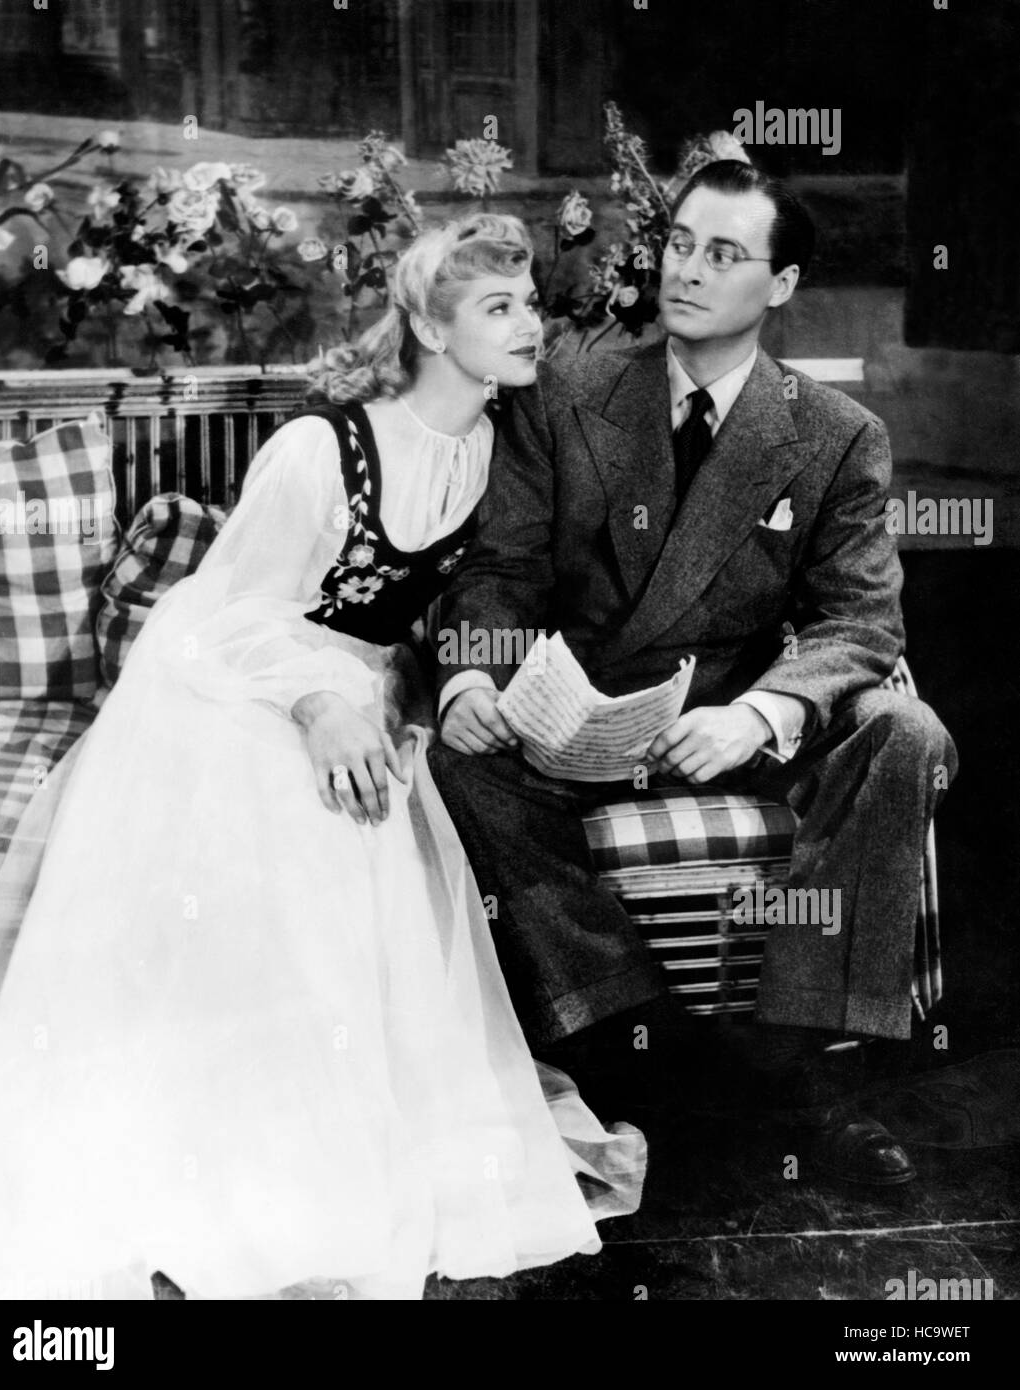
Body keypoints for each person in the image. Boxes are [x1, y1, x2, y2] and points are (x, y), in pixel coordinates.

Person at [0, 214, 645, 1303]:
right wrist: (321, 700)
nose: (532, 327)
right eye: (499, 308)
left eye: (532, 304)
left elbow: (455, 611)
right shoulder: (323, 449)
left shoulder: (501, 453)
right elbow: (223, 618)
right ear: (428, 323)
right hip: (230, 688)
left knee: (374, 801)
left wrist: (425, 692)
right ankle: (257, 1162)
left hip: (364, 691)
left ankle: (350, 1135)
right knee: (303, 808)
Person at [428, 162, 959, 1186]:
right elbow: (497, 570)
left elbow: (862, 619)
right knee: (454, 761)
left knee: (911, 734)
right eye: (680, 244)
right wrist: (471, 682)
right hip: (578, 727)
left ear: (782, 285)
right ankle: (640, 1041)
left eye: (724, 254)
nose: (689, 270)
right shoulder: (566, 394)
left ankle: (802, 1067)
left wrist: (762, 715)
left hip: (732, 732)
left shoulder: (836, 434)